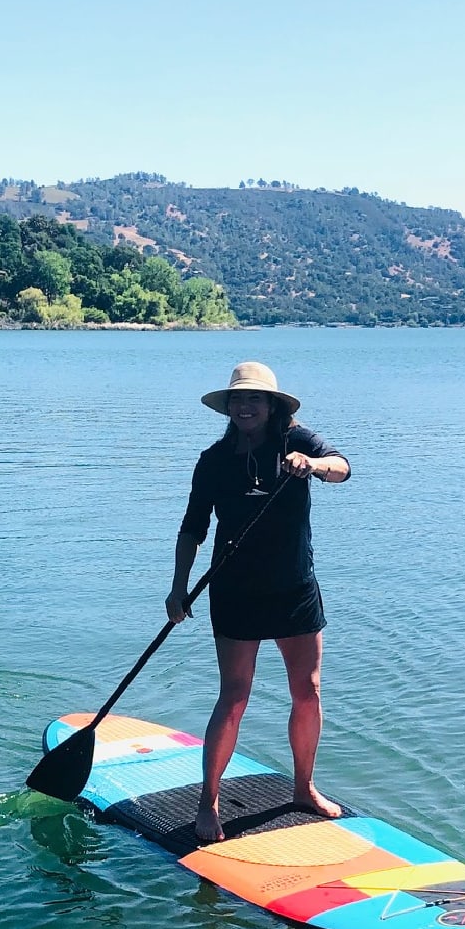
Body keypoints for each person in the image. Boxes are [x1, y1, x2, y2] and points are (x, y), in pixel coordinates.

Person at [166, 362, 351, 845]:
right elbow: (192, 528)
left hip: (294, 588)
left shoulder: (299, 442)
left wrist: (311, 466)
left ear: (272, 406)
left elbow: (342, 467)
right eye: (237, 400)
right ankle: (208, 800)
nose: (245, 407)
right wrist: (178, 587)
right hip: (235, 591)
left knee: (307, 691)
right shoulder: (213, 460)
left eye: (255, 399)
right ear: (228, 408)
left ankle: (303, 788)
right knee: (235, 696)